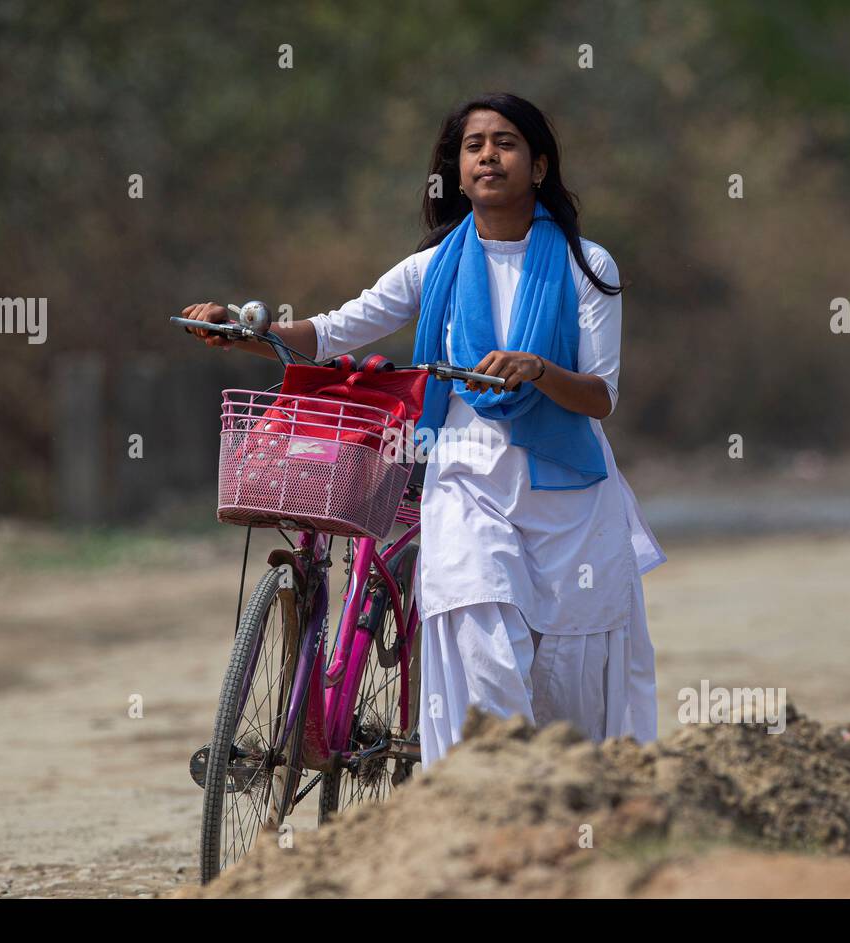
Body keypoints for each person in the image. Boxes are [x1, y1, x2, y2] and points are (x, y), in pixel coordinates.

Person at [182, 92, 666, 771]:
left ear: (539, 166)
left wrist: (537, 370)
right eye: (474, 146)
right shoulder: (432, 267)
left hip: (569, 497)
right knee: (480, 643)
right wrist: (243, 329)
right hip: (464, 478)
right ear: (458, 170)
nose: (489, 155)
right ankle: (492, 803)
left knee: (572, 680)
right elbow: (327, 332)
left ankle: (577, 822)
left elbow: (600, 397)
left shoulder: (591, 266)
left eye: (505, 143)